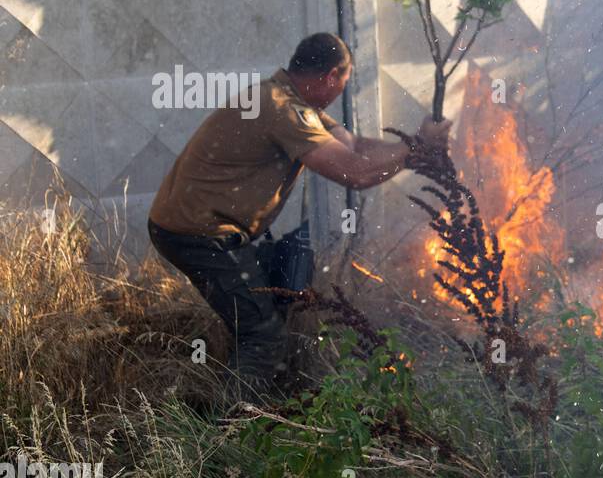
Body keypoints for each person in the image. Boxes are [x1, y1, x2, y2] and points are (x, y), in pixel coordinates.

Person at [147, 32, 448, 396]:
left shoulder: (288, 99)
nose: (340, 92)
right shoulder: (284, 110)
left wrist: (413, 147)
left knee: (267, 306)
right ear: (332, 75)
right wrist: (415, 149)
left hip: (193, 226)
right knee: (263, 334)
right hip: (199, 233)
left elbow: (355, 146)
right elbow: (355, 171)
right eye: (343, 83)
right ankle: (228, 432)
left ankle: (238, 398)